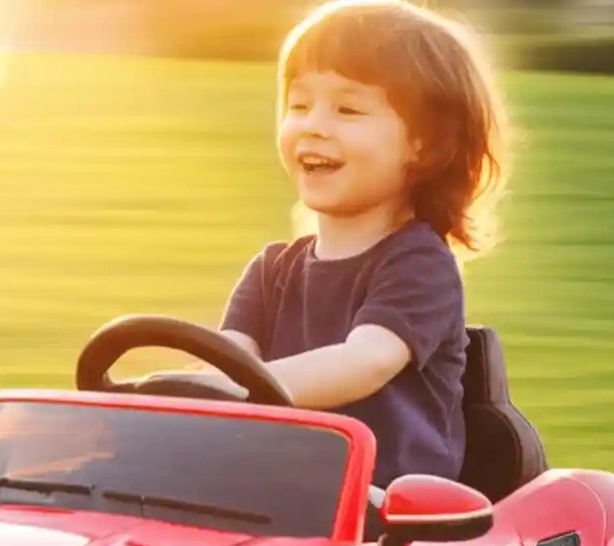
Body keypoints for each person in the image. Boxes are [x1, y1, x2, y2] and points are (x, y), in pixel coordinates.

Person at [144, 0, 511, 495]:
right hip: (279, 492)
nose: (314, 125)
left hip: (385, 514)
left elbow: (366, 361)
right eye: (299, 105)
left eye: (348, 109)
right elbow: (228, 363)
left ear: (422, 143)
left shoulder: (419, 264)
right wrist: (162, 402)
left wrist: (244, 389)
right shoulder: (272, 270)